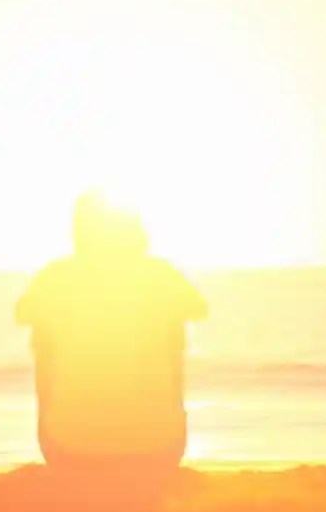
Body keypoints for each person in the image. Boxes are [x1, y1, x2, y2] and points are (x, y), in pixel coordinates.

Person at [15, 191, 208, 472]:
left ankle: (59, 421)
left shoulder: (57, 275)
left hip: (67, 450)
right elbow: (199, 309)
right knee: (173, 318)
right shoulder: (159, 273)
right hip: (158, 450)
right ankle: (164, 418)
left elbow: (23, 313)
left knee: (43, 326)